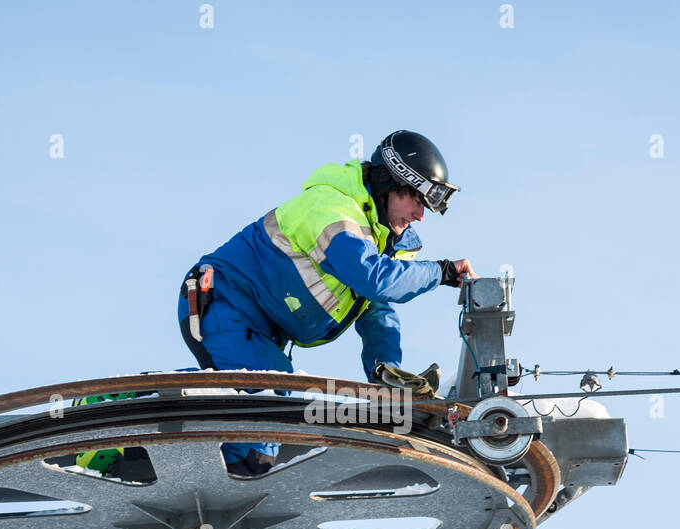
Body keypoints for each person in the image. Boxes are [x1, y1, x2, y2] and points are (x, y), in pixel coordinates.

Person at [73, 131, 476, 480]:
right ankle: (116, 407)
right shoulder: (333, 208)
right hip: (222, 300)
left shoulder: (385, 236)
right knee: (266, 405)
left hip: (263, 327)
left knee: (254, 453)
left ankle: (163, 463)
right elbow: (374, 279)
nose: (421, 215)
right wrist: (441, 271)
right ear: (390, 184)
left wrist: (382, 370)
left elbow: (377, 308)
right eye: (417, 200)